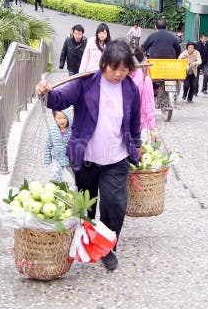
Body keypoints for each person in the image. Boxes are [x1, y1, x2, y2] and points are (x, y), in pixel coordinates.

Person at [35, 40, 142, 271]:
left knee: (114, 204)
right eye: (115, 68)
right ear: (104, 64)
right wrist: (45, 92)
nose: (119, 74)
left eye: (125, 69)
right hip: (87, 159)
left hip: (116, 159)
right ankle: (86, 240)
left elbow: (134, 122)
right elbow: (59, 99)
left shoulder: (130, 88)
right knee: (87, 204)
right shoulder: (86, 83)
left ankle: (107, 246)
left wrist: (138, 144)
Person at [129, 47, 160, 142]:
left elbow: (148, 105)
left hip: (135, 122)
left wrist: (152, 127)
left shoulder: (144, 80)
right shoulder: (121, 77)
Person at [43, 108, 74, 183]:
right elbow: (48, 144)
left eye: (64, 118)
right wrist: (47, 159)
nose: (61, 120)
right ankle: (58, 187)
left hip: (70, 159)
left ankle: (78, 188)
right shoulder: (52, 130)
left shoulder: (72, 130)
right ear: (55, 118)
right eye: (59, 118)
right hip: (57, 158)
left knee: (76, 175)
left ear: (69, 118)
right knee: (56, 173)